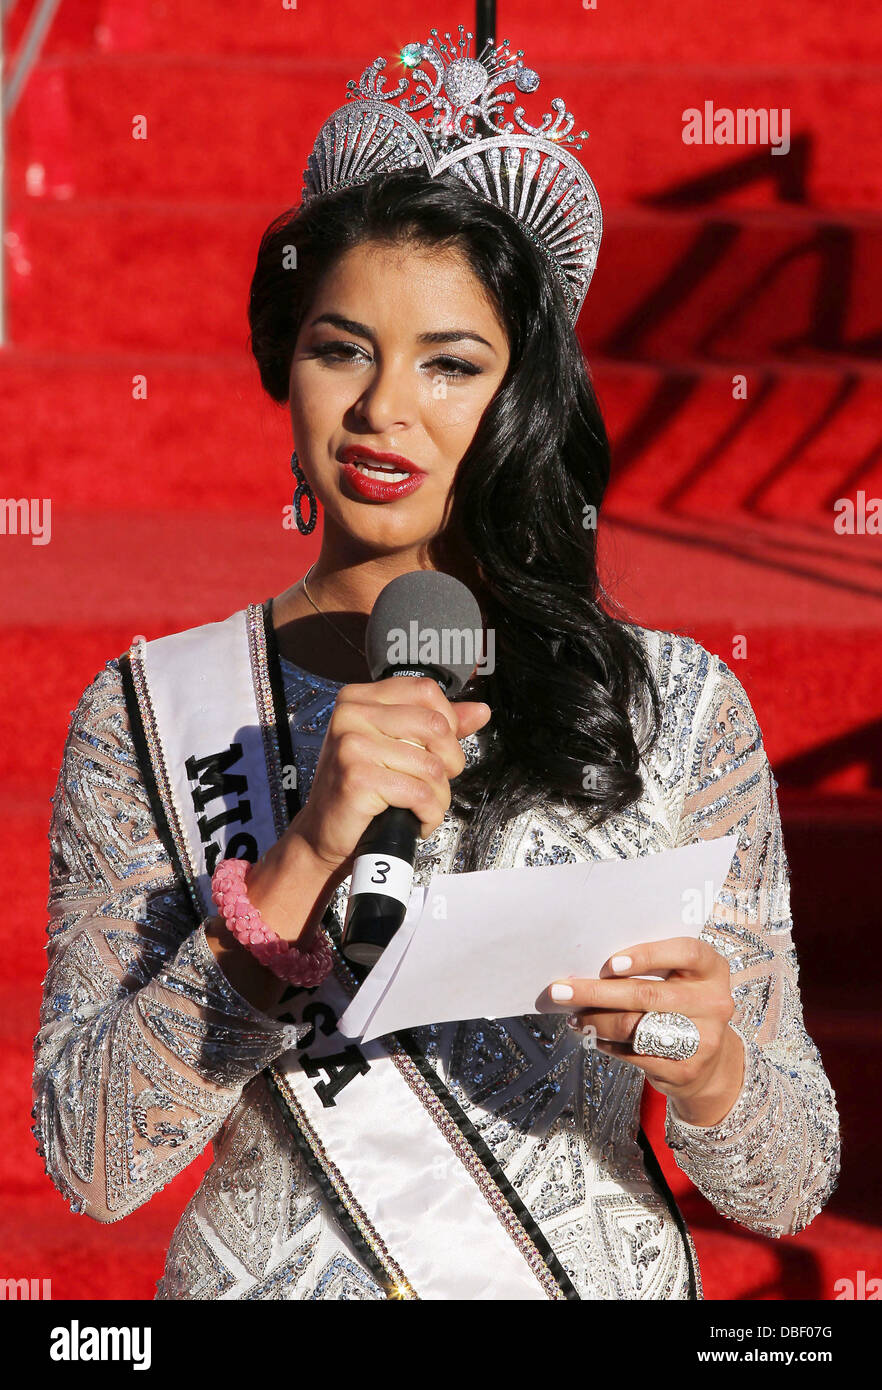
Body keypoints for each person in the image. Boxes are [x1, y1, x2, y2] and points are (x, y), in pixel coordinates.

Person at [33, 27, 840, 1300]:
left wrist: (713, 1067)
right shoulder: (145, 714)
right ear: (283, 365)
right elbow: (89, 1162)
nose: (383, 410)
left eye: (452, 363)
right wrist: (295, 861)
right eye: (341, 347)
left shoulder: (671, 704)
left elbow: (790, 1179)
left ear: (524, 403)